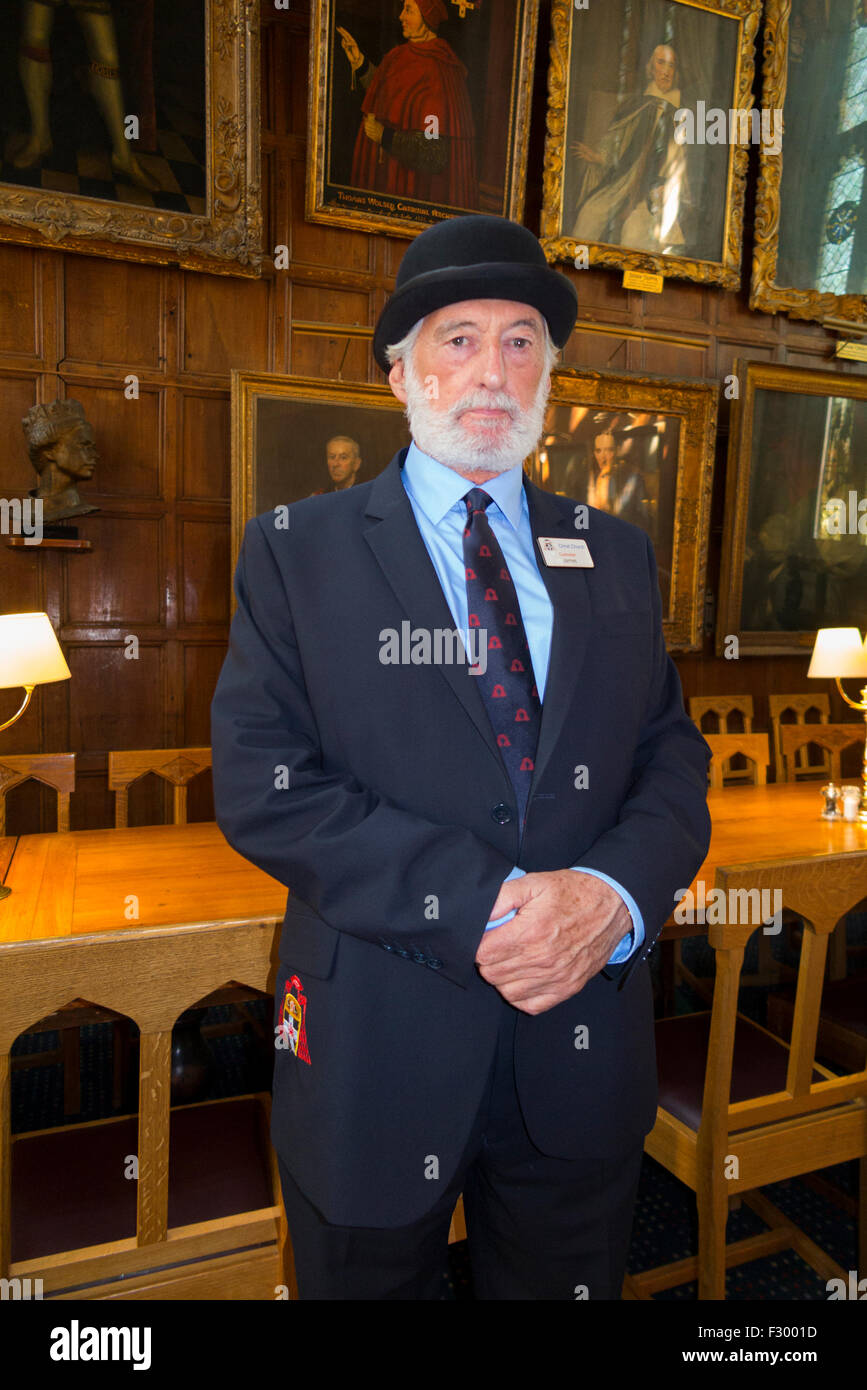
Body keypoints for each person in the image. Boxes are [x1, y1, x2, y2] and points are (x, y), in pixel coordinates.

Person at [210, 214, 711, 1300]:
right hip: (376, 1048)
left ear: (549, 372)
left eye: (523, 339)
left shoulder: (613, 550)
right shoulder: (298, 552)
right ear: (400, 373)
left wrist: (611, 895)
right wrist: (490, 902)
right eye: (459, 338)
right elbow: (263, 784)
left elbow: (670, 756)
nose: (494, 370)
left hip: (582, 1033)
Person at [338, 0, 476, 209]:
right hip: (385, 180)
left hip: (412, 188)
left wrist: (383, 135)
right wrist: (360, 63)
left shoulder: (438, 71)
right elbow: (392, 96)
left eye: (409, 10)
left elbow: (432, 152)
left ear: (427, 17)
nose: (401, 16)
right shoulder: (398, 55)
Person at [571, 45, 688, 253]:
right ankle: (578, 269)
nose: (666, 71)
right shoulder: (637, 103)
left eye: (671, 65)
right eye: (661, 63)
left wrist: (666, 184)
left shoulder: (683, 112)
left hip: (656, 189)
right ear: (650, 68)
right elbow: (617, 138)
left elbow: (683, 158)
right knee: (589, 215)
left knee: (635, 235)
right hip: (623, 179)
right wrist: (600, 157)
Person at [585, 430, 647, 529]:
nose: (603, 457)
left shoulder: (632, 478)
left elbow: (640, 515)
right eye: (598, 451)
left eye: (609, 450)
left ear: (617, 451)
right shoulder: (590, 479)